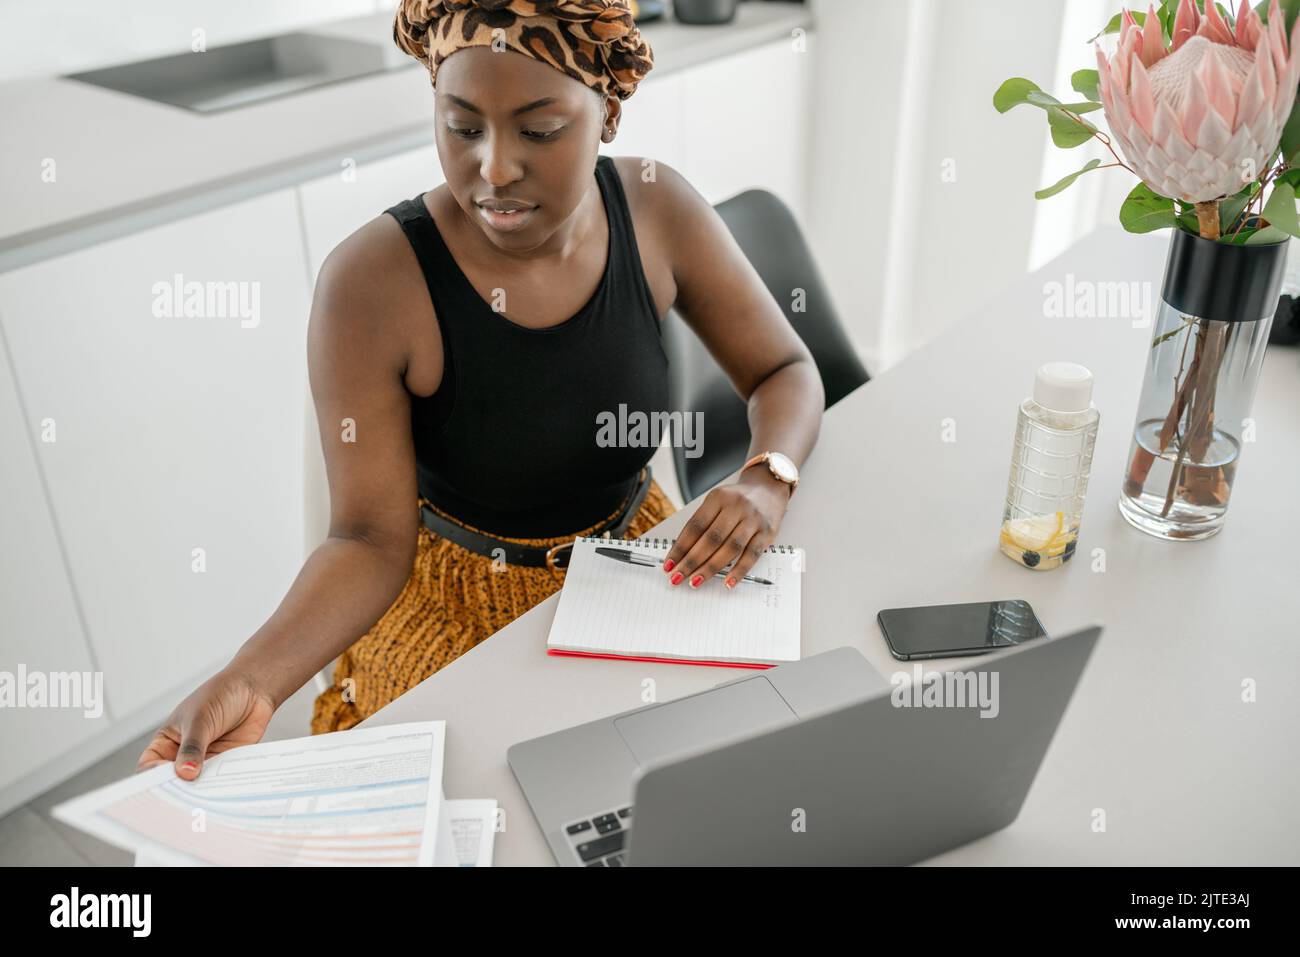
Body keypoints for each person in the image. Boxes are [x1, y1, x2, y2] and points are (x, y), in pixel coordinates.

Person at [138, 0, 823, 779]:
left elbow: (783, 370)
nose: (494, 168)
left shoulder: (658, 206)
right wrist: (249, 679)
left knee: (697, 772)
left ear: (607, 110)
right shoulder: (371, 283)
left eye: (538, 129)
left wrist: (768, 477)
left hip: (634, 568)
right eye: (463, 127)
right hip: (447, 604)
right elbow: (367, 539)